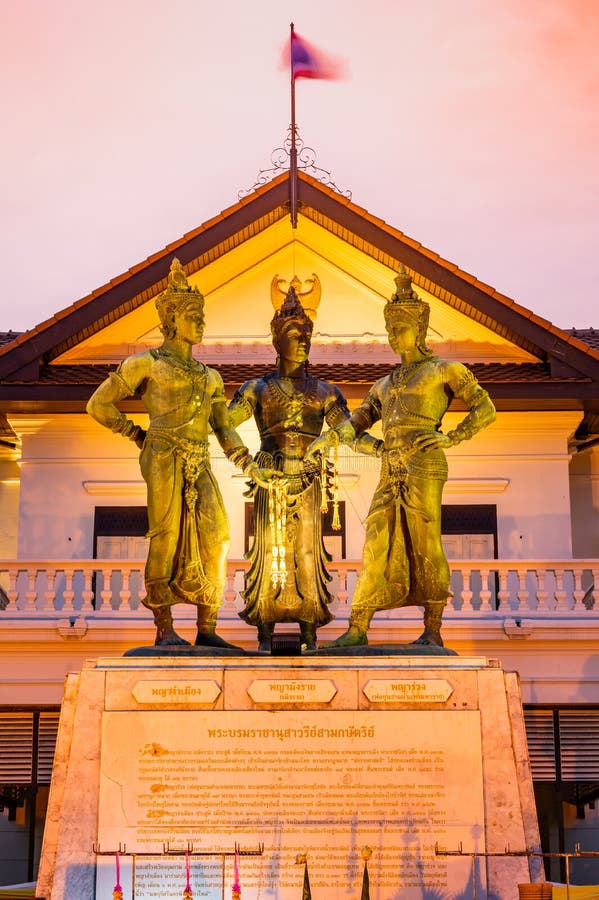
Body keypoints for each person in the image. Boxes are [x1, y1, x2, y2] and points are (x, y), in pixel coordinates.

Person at [87, 258, 276, 647]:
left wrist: (247, 463)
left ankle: (207, 628)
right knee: (166, 534)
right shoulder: (146, 364)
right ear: (172, 320)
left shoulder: (210, 377)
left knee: (217, 535)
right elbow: (98, 405)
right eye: (193, 315)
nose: (201, 322)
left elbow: (222, 427)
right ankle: (164, 628)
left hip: (199, 457)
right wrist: (135, 434)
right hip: (162, 454)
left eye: (202, 315)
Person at [307, 267, 496, 647]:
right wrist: (328, 438)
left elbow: (485, 408)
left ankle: (433, 628)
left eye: (400, 327)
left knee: (426, 541)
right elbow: (357, 423)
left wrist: (452, 437)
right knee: (376, 539)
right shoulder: (384, 384)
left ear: (419, 328)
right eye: (389, 328)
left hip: (424, 463)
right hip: (390, 467)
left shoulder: (445, 371)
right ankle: (358, 626)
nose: (393, 336)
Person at [228, 280, 359, 651]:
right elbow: (222, 424)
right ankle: (265, 634)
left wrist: (386, 444)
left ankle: (309, 632)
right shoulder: (257, 388)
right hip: (270, 475)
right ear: (276, 340)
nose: (301, 340)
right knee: (269, 553)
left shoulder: (326, 392)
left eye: (305, 334)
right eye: (292, 333)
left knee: (306, 552)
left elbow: (348, 432)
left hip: (307, 478)